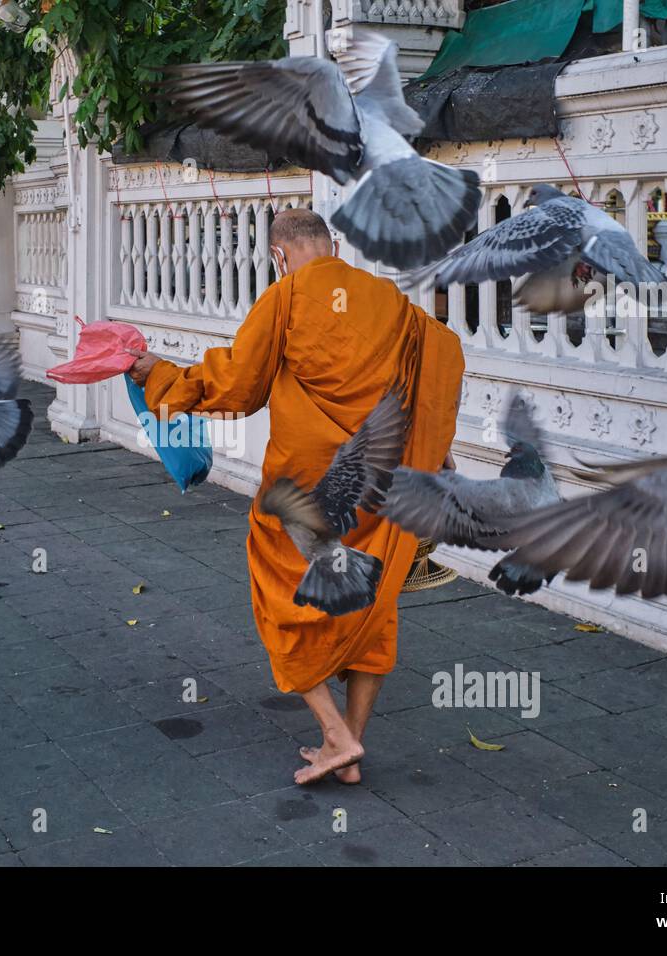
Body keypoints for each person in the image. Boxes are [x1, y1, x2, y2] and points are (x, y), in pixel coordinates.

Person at [127, 208, 464, 786]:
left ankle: (335, 734)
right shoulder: (391, 303)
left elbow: (236, 385)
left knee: (281, 595)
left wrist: (158, 374)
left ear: (278, 256)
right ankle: (351, 742)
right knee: (371, 599)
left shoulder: (284, 300)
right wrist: (438, 454)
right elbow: (439, 361)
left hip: (301, 491)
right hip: (381, 483)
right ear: (332, 246)